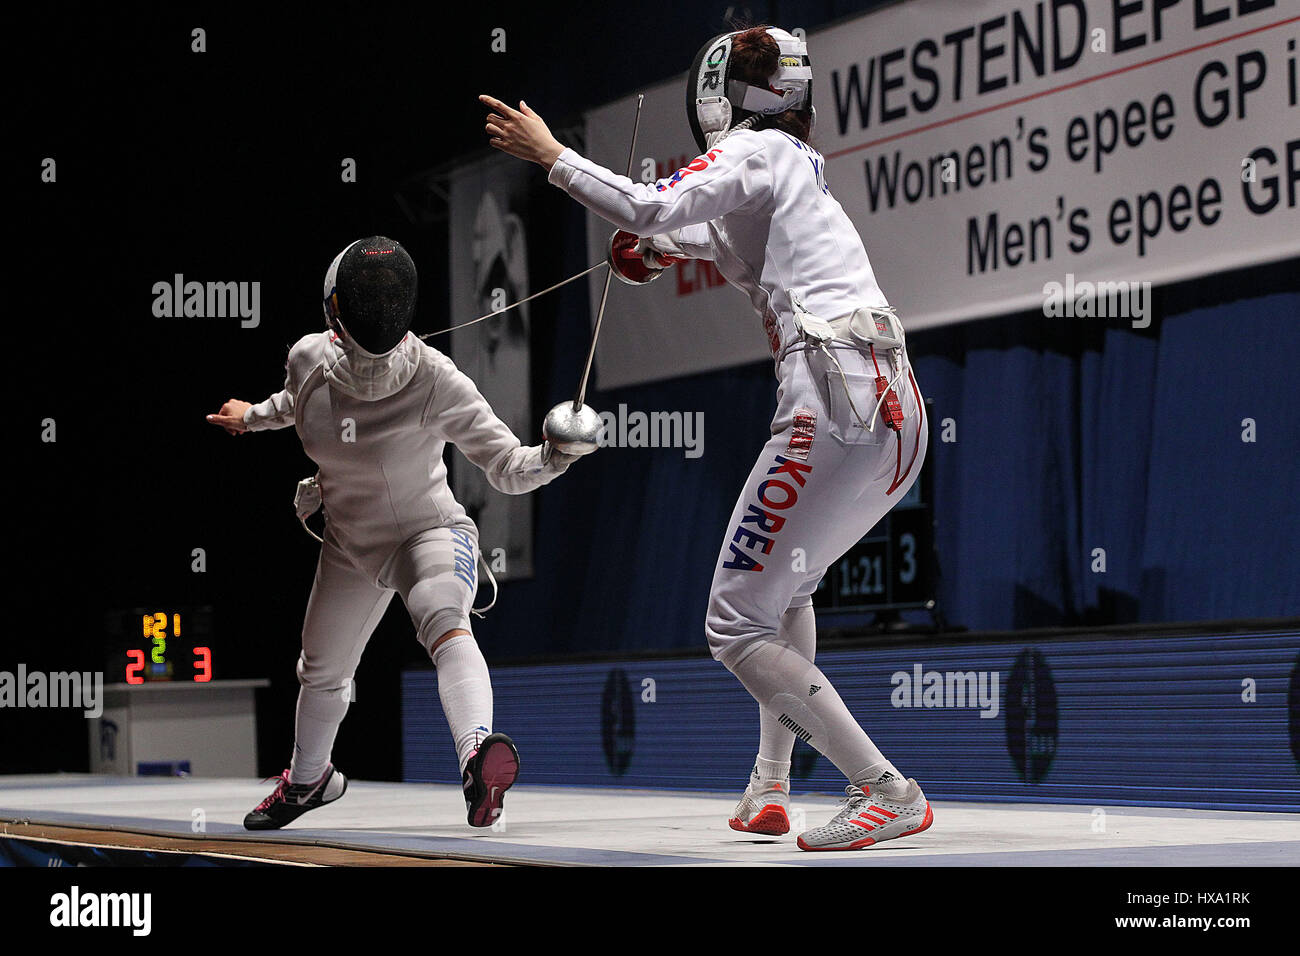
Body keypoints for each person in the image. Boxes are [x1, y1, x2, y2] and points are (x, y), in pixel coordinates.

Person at [481, 25, 932, 851]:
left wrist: (551, 155)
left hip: (833, 400)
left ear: (721, 97)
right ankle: (770, 784)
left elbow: (656, 203)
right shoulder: (791, 171)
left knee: (732, 623)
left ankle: (886, 789)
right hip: (894, 414)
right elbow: (693, 230)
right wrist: (649, 250)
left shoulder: (756, 153)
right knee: (785, 590)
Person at [206, 236, 588, 830]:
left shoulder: (433, 379)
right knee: (322, 668)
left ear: (334, 310)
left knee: (443, 621)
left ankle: (475, 760)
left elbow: (509, 463)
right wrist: (250, 417)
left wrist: (553, 455)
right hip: (349, 545)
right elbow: (295, 401)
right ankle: (308, 783)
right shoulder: (315, 361)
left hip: (427, 533)